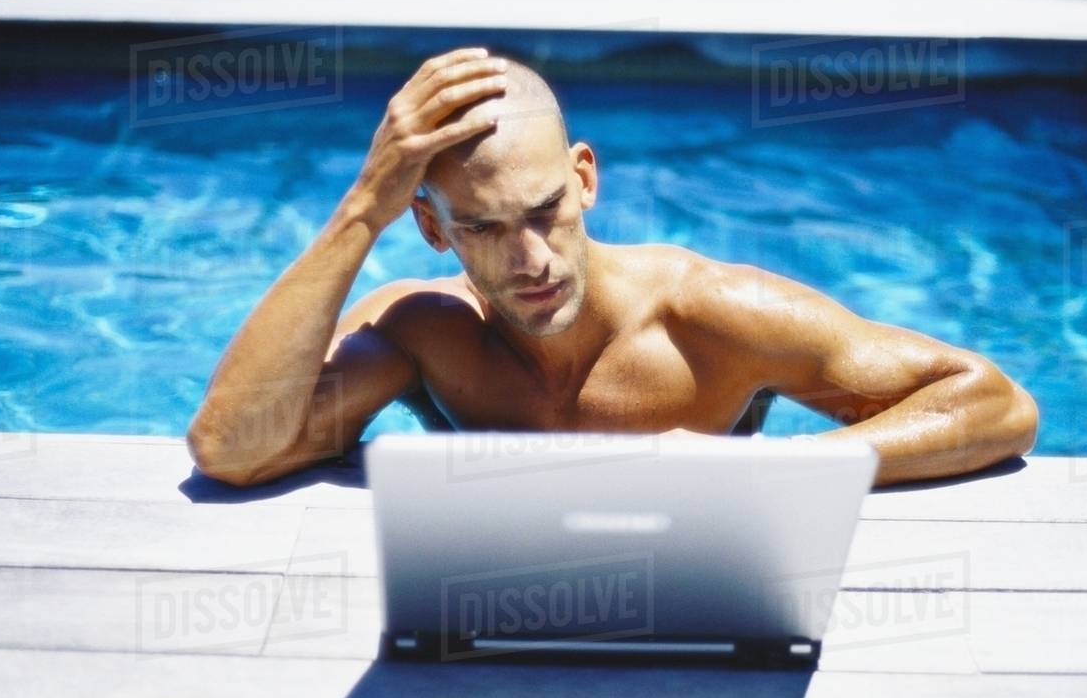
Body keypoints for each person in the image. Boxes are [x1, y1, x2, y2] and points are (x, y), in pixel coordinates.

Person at [186, 47, 1039, 489]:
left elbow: (994, 401)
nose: (530, 261)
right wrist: (362, 208)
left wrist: (763, 476)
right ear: (432, 230)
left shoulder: (713, 317)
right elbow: (230, 449)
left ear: (585, 178)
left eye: (546, 211)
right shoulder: (425, 335)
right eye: (484, 228)